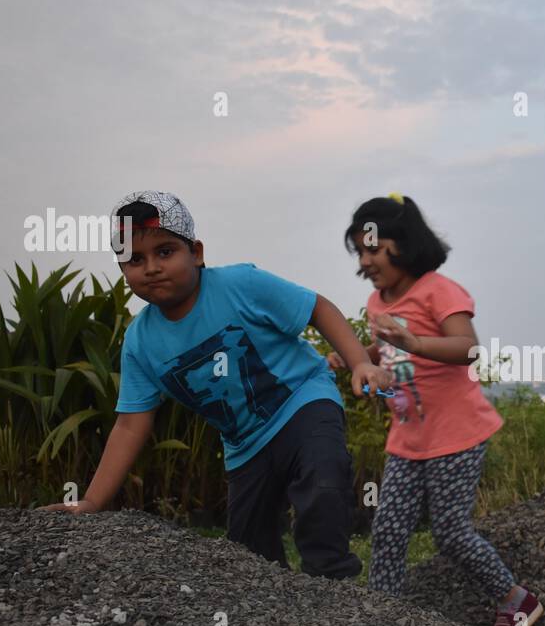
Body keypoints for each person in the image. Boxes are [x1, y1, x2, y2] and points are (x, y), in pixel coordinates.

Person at [43, 190, 392, 578]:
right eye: (135, 260)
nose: (152, 267)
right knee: (247, 556)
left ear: (196, 252)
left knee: (322, 478)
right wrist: (91, 502)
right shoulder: (141, 343)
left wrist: (360, 362)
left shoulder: (239, 284)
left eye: (165, 252)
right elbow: (130, 424)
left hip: (302, 401)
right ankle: (278, 612)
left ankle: (332, 584)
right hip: (245, 445)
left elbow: (317, 308)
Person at [331, 192, 543, 626]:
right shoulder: (375, 301)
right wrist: (355, 358)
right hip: (407, 438)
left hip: (457, 434)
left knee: (449, 532)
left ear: (403, 244)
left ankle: (515, 601)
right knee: (387, 530)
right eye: (360, 251)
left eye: (374, 248)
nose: (366, 260)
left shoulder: (438, 290)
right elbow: (385, 349)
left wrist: (415, 342)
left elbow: (467, 346)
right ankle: (381, 618)